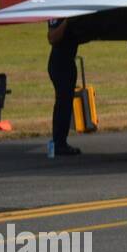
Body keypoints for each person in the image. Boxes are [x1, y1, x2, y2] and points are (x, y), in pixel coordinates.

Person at [46, 18, 84, 156]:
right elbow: (52, 38)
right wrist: (67, 22)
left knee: (65, 104)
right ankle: (59, 143)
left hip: (67, 62)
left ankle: (60, 141)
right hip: (59, 64)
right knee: (63, 103)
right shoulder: (58, 15)